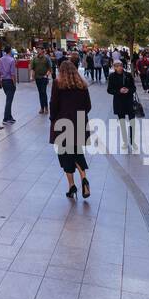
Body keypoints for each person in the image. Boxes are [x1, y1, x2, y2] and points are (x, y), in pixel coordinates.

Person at [49, 58, 92, 199]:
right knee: (77, 152)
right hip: (79, 121)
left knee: (65, 155)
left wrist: (53, 119)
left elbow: (53, 105)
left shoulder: (58, 84)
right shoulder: (82, 85)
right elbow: (88, 106)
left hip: (62, 123)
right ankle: (84, 179)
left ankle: (72, 186)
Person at [107, 60, 139, 152]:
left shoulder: (128, 75)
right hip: (119, 102)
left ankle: (132, 141)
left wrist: (128, 90)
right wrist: (119, 91)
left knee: (132, 121)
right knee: (122, 122)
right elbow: (109, 90)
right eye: (116, 66)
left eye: (120, 65)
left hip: (129, 101)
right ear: (114, 67)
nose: (119, 67)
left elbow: (134, 88)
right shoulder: (112, 76)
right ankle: (125, 141)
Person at [0, 46, 17, 125]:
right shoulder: (12, 60)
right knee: (9, 101)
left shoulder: (1, 59)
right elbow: (12, 74)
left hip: (3, 81)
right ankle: (5, 118)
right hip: (9, 81)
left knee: (9, 99)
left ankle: (9, 117)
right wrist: (14, 84)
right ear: (9, 51)